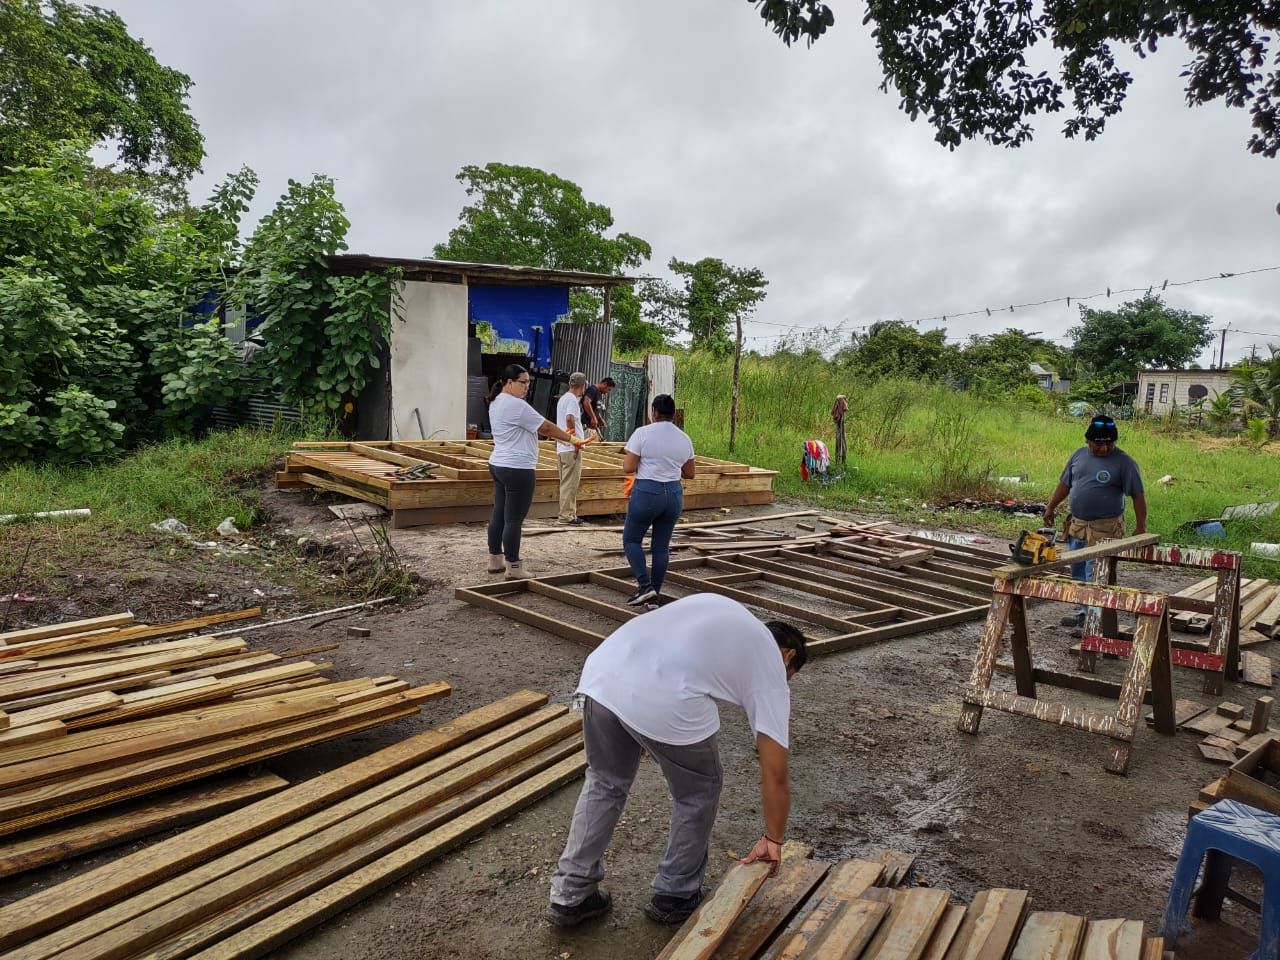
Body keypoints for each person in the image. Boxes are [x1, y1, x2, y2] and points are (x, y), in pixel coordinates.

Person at [546, 593, 807, 928]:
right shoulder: (771, 662)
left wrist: (641, 728)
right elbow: (775, 772)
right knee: (699, 791)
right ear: (788, 655)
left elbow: (666, 656)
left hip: (603, 675)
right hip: (660, 696)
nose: (785, 682)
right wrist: (773, 839)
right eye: (790, 675)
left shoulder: (720, 611)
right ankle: (675, 894)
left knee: (604, 782)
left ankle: (570, 894)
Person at [1043, 414, 1147, 627]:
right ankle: (1084, 613)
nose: (1104, 448)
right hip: (1078, 526)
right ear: (1088, 440)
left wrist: (1140, 526)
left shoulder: (1124, 462)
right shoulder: (1078, 456)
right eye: (1099, 444)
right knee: (1078, 571)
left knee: (1096, 574)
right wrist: (1051, 507)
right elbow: (1065, 484)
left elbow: (1138, 495)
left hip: (1105, 528)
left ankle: (1094, 621)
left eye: (1109, 444)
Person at [486, 364, 586, 579]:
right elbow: (545, 427)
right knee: (513, 520)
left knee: (499, 514)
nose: (527, 387)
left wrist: (562, 438)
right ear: (509, 382)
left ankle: (495, 559)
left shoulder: (497, 401)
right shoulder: (517, 405)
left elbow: (532, 429)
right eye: (523, 382)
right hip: (518, 468)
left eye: (528, 383)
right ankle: (513, 566)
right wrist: (573, 439)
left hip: (499, 464)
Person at [621, 394, 694, 606]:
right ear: (673, 414)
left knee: (631, 540)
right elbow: (690, 473)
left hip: (648, 492)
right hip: (673, 494)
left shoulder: (642, 433)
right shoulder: (684, 438)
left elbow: (628, 467)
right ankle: (654, 597)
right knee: (661, 547)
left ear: (654, 412)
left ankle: (645, 586)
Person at [556, 372, 588, 526]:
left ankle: (570, 513)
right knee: (570, 483)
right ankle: (566, 516)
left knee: (566, 482)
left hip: (562, 448)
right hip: (570, 448)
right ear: (582, 386)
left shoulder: (563, 398)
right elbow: (569, 418)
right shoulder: (572, 400)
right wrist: (574, 439)